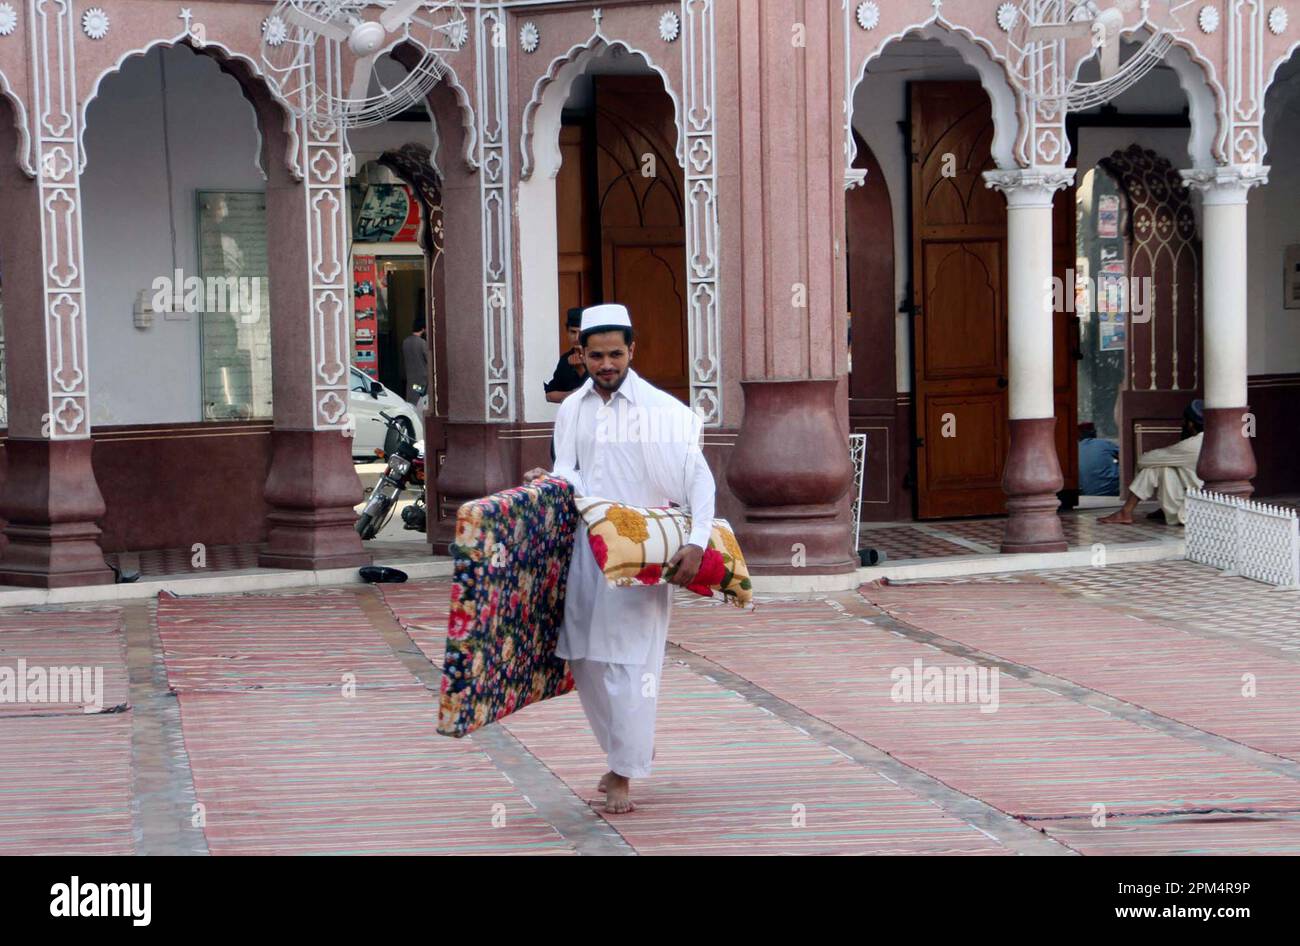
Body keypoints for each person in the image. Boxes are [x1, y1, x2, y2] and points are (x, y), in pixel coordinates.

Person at [524, 303, 715, 815]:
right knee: (585, 658)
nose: (606, 363)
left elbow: (699, 478)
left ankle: (624, 770)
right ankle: (627, 748)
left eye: (615, 353)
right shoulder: (572, 410)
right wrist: (549, 482)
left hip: (644, 552)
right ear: (580, 355)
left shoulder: (663, 411)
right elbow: (569, 472)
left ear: (632, 351)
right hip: (588, 550)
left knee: (631, 663)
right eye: (595, 355)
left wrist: (697, 540)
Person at [1099, 399, 1204, 526]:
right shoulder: (1212, 438)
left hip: (1195, 512)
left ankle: (1125, 512)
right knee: (1167, 467)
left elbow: (1144, 460)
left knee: (1154, 467)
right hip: (1202, 505)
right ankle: (1164, 509)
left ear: (1190, 424)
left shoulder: (1191, 445)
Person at [544, 308, 588, 403]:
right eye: (573, 332)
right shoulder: (565, 359)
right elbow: (550, 394)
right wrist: (573, 395)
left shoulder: (598, 357)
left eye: (581, 333)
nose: (577, 338)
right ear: (567, 332)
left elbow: (599, 391)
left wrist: (580, 369)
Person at [1077, 423, 1120, 497]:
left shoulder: (1075, 450)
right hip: (1114, 489)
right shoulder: (1104, 444)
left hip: (1089, 492)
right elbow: (1126, 456)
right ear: (1095, 433)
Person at [402, 315, 428, 405]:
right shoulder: (422, 343)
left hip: (410, 378)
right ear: (423, 329)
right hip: (422, 379)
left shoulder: (405, 342)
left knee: (412, 400)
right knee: (421, 400)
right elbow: (429, 359)